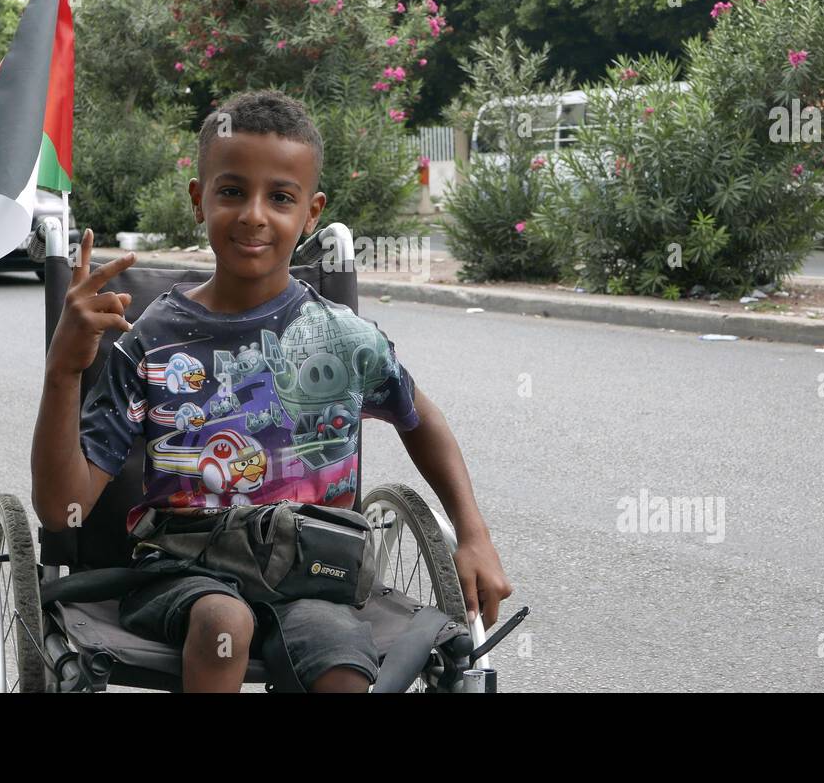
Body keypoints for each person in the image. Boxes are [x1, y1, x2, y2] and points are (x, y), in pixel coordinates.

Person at [31, 90, 511, 692]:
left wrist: (474, 535)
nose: (255, 215)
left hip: (312, 572)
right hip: (181, 570)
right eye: (231, 191)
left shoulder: (341, 339)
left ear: (311, 213)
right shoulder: (148, 343)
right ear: (198, 199)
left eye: (280, 198)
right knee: (222, 620)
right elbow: (61, 509)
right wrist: (64, 372)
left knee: (338, 664)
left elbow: (421, 418)